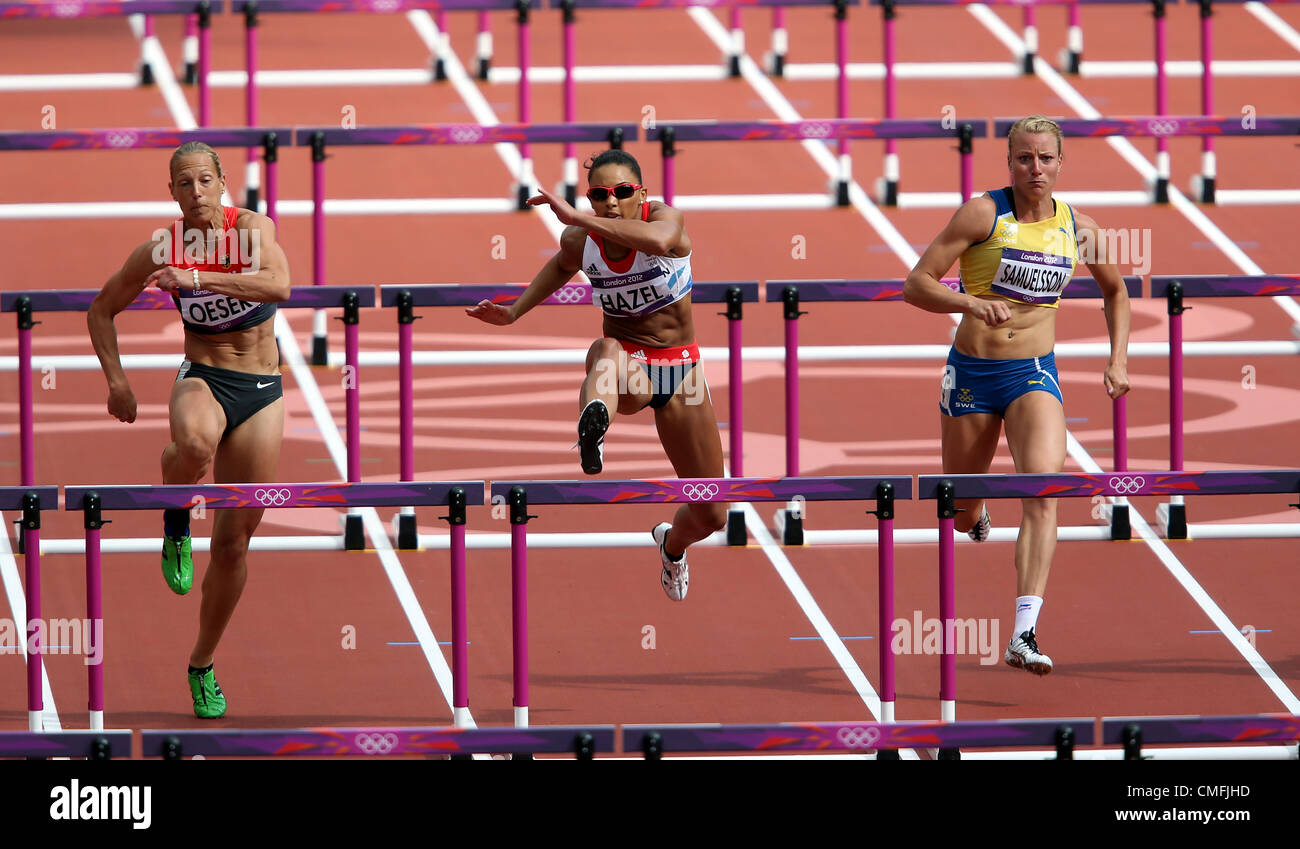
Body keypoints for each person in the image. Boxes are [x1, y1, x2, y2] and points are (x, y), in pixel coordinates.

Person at [903, 115, 1131, 675]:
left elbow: (1116, 290)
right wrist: (969, 303)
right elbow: (917, 283)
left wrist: (1118, 358)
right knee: (958, 509)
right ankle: (975, 511)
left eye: (1046, 158)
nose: (1036, 168)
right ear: (1010, 163)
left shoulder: (1078, 227)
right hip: (971, 374)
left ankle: (1023, 631)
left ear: (1060, 163)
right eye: (1025, 158)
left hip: (1033, 372)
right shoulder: (984, 213)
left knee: (1043, 489)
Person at [467, 150, 726, 602]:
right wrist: (513, 312)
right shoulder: (581, 241)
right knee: (604, 351)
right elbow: (561, 266)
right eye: (600, 195)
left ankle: (671, 545)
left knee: (712, 514)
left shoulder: (668, 221)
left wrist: (579, 218)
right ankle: (593, 427)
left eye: (622, 193)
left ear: (641, 195)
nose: (611, 202)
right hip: (628, 367)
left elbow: (662, 243)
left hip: (680, 370)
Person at [88, 141, 291, 717]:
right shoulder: (160, 248)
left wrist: (199, 277)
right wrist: (118, 383)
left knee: (232, 545)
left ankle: (201, 664)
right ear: (171, 192)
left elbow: (279, 287)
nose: (196, 191)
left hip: (261, 389)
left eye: (205, 179)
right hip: (203, 375)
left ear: (223, 182)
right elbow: (100, 308)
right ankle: (175, 516)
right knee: (195, 445)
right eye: (184, 183)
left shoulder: (253, 229)